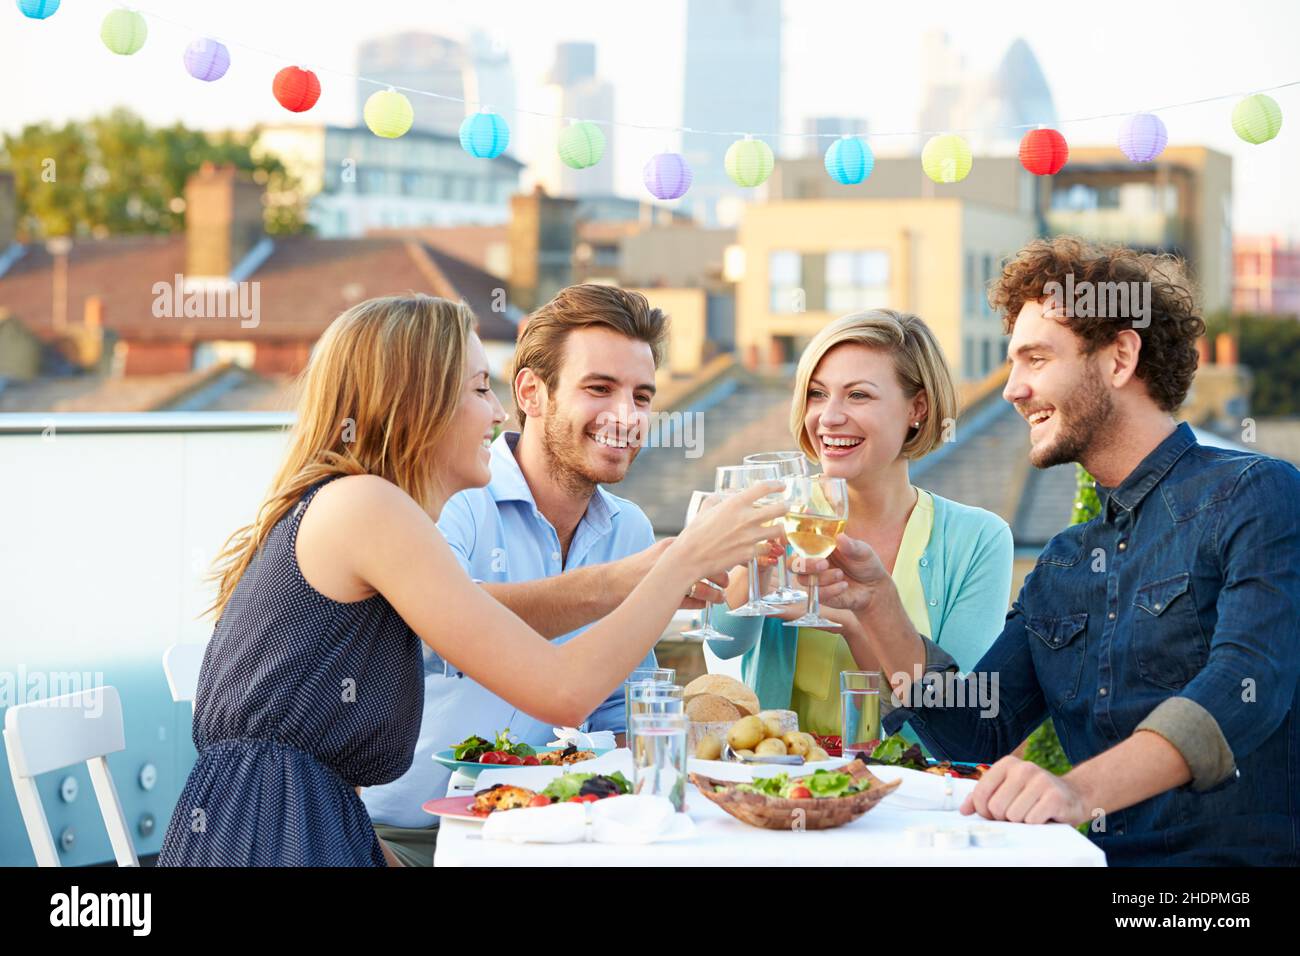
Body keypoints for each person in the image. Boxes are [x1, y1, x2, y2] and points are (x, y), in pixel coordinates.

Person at [156, 294, 783, 867]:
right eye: (481, 388)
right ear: (415, 400)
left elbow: (315, 776)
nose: (499, 412)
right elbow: (561, 691)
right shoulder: (368, 508)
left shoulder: (367, 508)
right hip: (266, 842)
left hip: (301, 831)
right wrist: (680, 562)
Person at [795, 238, 1300, 865]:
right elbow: (973, 732)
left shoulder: (1256, 492)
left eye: (1035, 359)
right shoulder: (1063, 563)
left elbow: (1249, 682)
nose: (1012, 389)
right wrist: (877, 608)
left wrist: (1075, 790)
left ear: (1119, 358)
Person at [362, 285, 717, 865]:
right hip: (398, 836)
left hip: (542, 832)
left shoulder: (628, 529)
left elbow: (616, 709)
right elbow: (433, 628)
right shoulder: (450, 499)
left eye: (643, 396)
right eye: (599, 388)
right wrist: (643, 578)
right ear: (532, 392)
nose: (626, 417)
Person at [708, 310, 1013, 742]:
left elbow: (955, 710)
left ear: (917, 409)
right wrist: (751, 571)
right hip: (784, 783)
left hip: (916, 790)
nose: (829, 417)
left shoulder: (979, 540)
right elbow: (723, 643)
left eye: (858, 396)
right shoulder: (783, 516)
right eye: (817, 394)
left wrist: (852, 623)